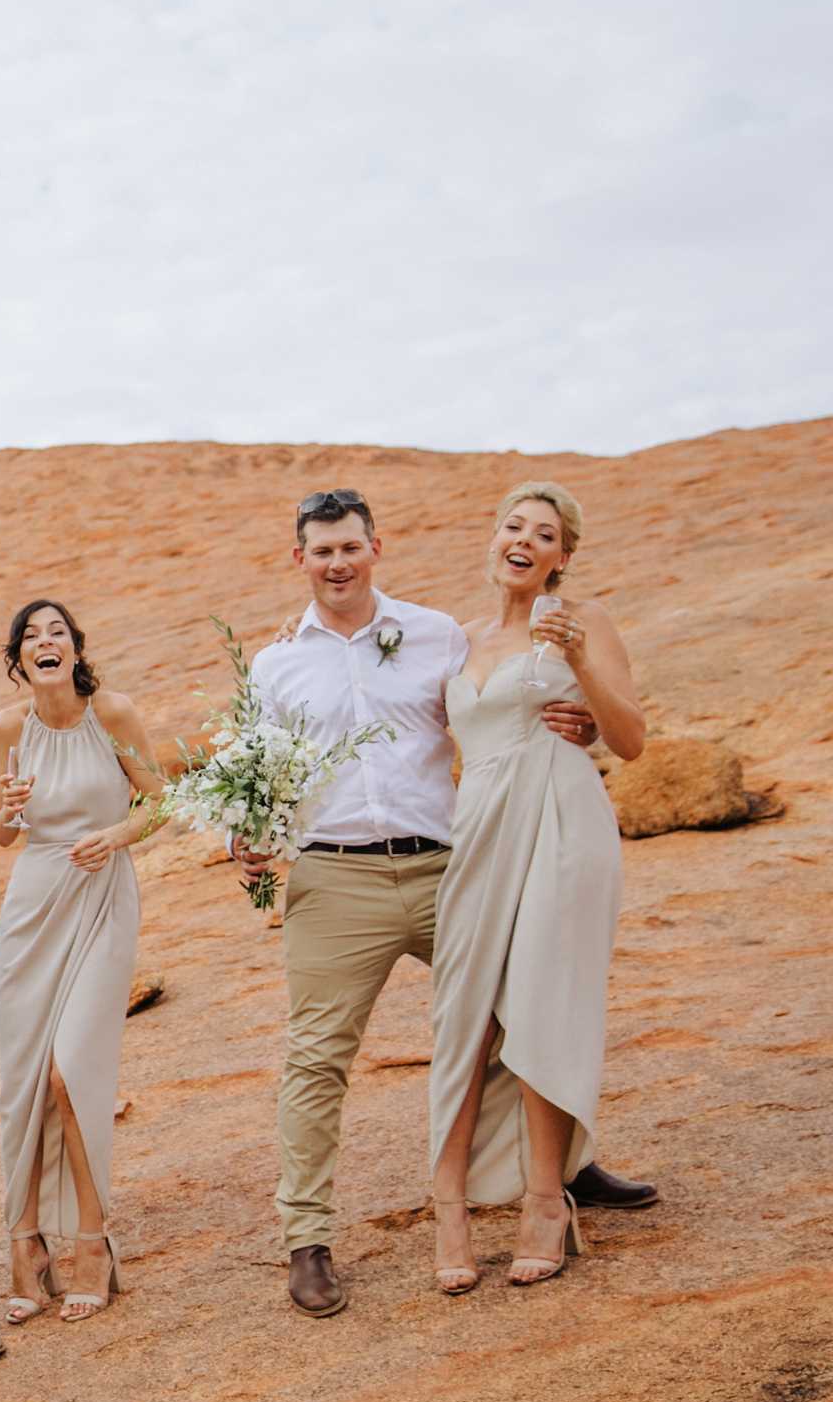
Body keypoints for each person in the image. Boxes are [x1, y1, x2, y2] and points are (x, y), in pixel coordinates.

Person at [231, 489, 661, 1319]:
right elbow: (261, 774)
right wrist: (245, 841)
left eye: (350, 547)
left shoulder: (437, 633)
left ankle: (564, 1166)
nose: (337, 563)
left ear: (376, 547)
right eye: (321, 551)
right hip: (335, 879)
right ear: (300, 560)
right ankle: (307, 1239)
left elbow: (525, 704)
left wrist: (579, 722)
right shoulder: (275, 663)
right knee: (317, 1057)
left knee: (514, 1003)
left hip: (449, 861)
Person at [428, 485, 644, 1291]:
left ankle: (546, 1201)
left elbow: (632, 741)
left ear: (563, 556)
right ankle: (447, 1200)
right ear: (494, 539)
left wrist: (581, 669)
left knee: (544, 1003)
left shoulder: (583, 623)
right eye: (513, 525)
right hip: (479, 828)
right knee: (467, 1015)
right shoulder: (459, 639)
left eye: (543, 533)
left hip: (562, 822)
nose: (524, 539)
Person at [0, 600, 165, 1326]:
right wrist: (9, 810)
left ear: (75, 649)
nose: (45, 643)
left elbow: (159, 801)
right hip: (33, 904)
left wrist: (118, 834)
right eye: (32, 636)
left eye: (57, 632)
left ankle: (93, 1241)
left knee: (71, 1070)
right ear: (19, 659)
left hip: (101, 898)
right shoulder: (6, 728)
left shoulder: (111, 713)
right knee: (24, 1079)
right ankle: (26, 1245)